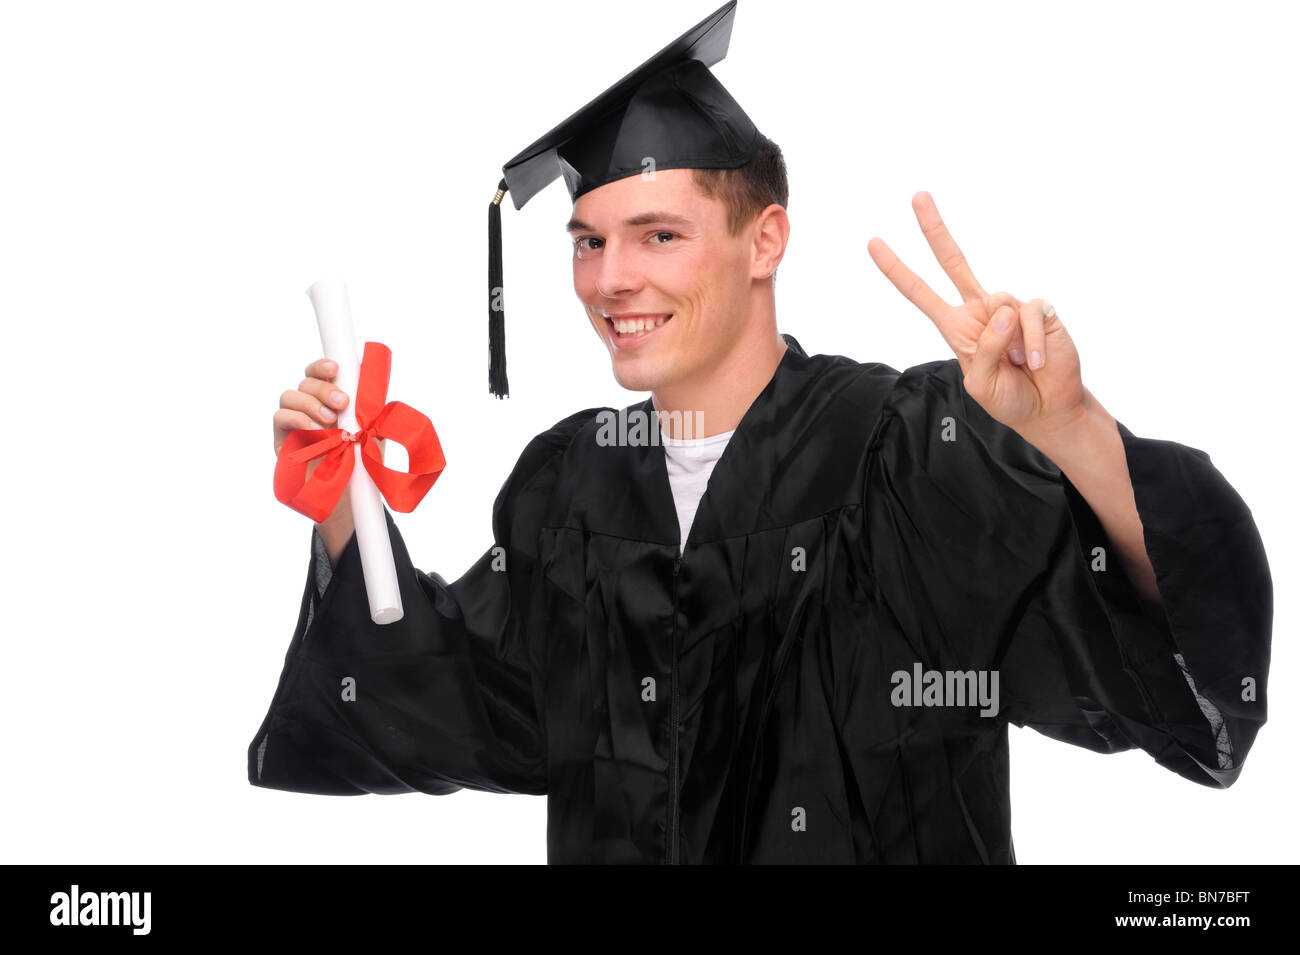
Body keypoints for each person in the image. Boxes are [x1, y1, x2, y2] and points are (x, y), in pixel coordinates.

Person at [249, 1, 1271, 864]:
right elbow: (469, 707)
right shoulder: (569, 486)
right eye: (589, 242)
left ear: (763, 239)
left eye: (659, 234)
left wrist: (1075, 431)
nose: (612, 281)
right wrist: (347, 505)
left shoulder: (905, 454)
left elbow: (1151, 662)